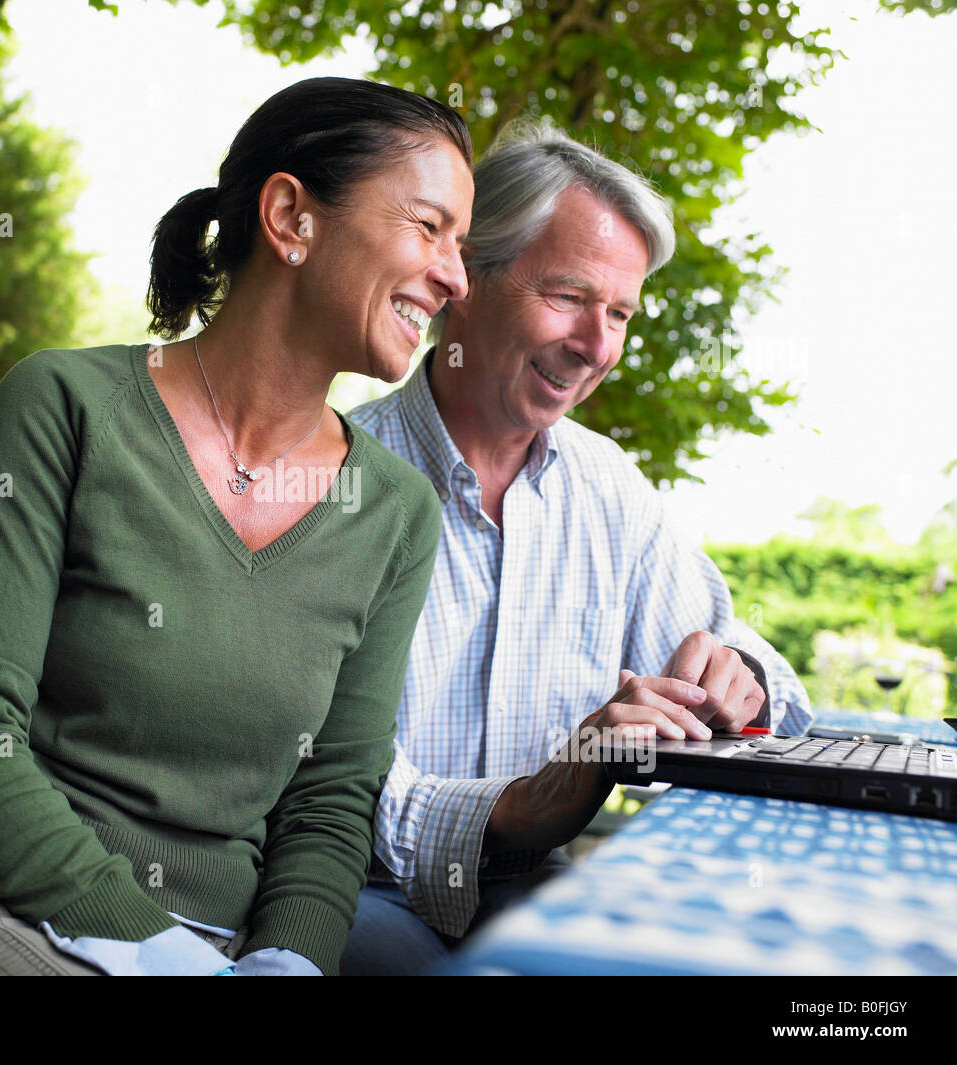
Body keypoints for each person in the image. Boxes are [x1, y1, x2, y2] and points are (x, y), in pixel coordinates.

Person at [0, 76, 473, 976]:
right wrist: (152, 950)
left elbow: (329, 797)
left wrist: (287, 960)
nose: (455, 275)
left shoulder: (398, 513)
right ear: (291, 216)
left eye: (463, 244)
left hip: (218, 943)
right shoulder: (64, 406)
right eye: (429, 227)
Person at [342, 122, 813, 975]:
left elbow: (759, 675)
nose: (598, 346)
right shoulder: (335, 478)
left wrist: (735, 676)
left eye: (620, 313)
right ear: (467, 279)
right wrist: (522, 807)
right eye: (568, 296)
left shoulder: (607, 486)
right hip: (358, 898)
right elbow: (316, 780)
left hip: (540, 896)